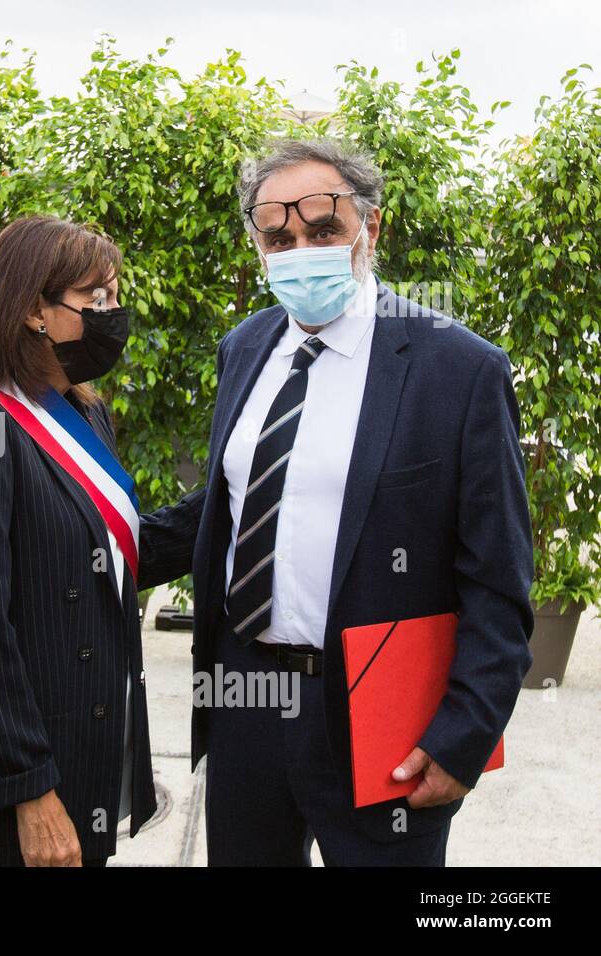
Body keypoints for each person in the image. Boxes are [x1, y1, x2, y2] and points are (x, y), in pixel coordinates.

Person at [189, 138, 532, 865]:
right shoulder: (243, 349)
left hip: (385, 715)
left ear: (370, 229)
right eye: (278, 237)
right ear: (256, 244)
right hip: (246, 701)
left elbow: (498, 577)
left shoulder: (459, 369)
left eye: (323, 230)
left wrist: (462, 737)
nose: (300, 249)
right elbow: (240, 502)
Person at [0, 215, 205, 866]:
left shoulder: (83, 410)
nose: (114, 315)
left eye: (116, 296)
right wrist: (29, 790)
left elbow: (114, 558)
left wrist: (232, 499)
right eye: (97, 299)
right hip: (6, 791)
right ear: (33, 310)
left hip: (81, 754)